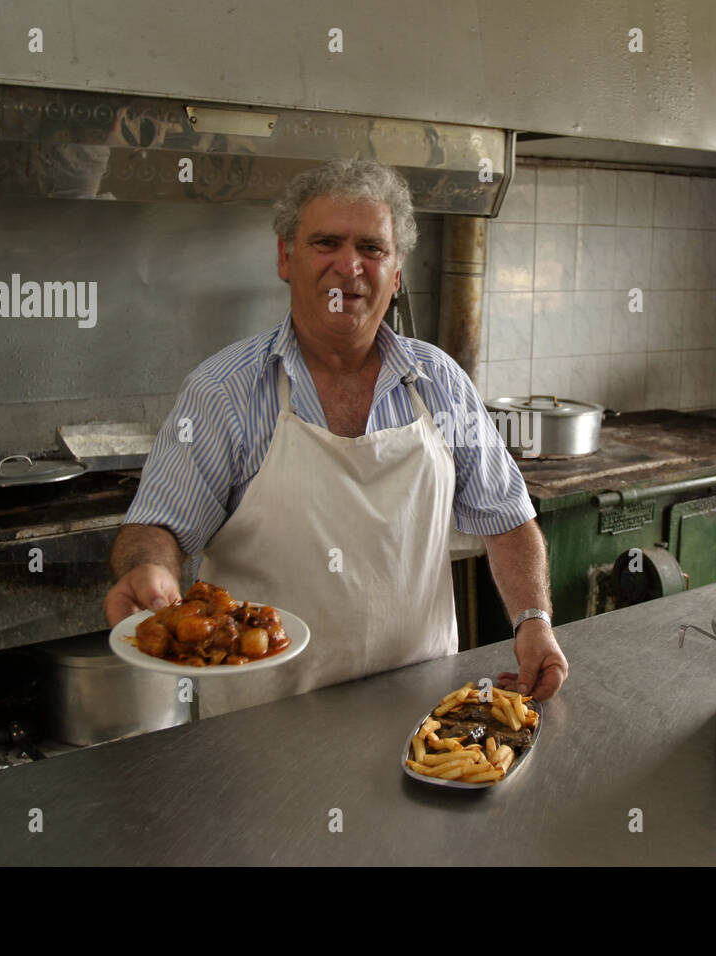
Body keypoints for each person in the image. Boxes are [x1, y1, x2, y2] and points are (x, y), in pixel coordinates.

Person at [104, 159, 568, 716]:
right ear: (285, 257)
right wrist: (148, 570)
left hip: (422, 720)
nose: (348, 266)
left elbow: (508, 520)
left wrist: (534, 620)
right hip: (262, 729)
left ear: (396, 273)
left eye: (372, 248)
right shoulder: (223, 392)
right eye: (326, 242)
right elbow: (157, 527)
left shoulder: (440, 382)